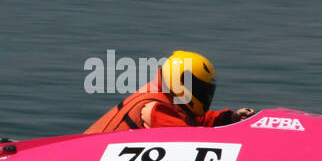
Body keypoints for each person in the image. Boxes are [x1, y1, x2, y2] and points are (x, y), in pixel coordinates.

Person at [85, 51, 255, 133]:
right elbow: (189, 138)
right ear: (180, 81)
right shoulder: (155, 108)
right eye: (199, 89)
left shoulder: (170, 100)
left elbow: (194, 120)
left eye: (207, 90)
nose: (205, 96)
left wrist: (230, 119)